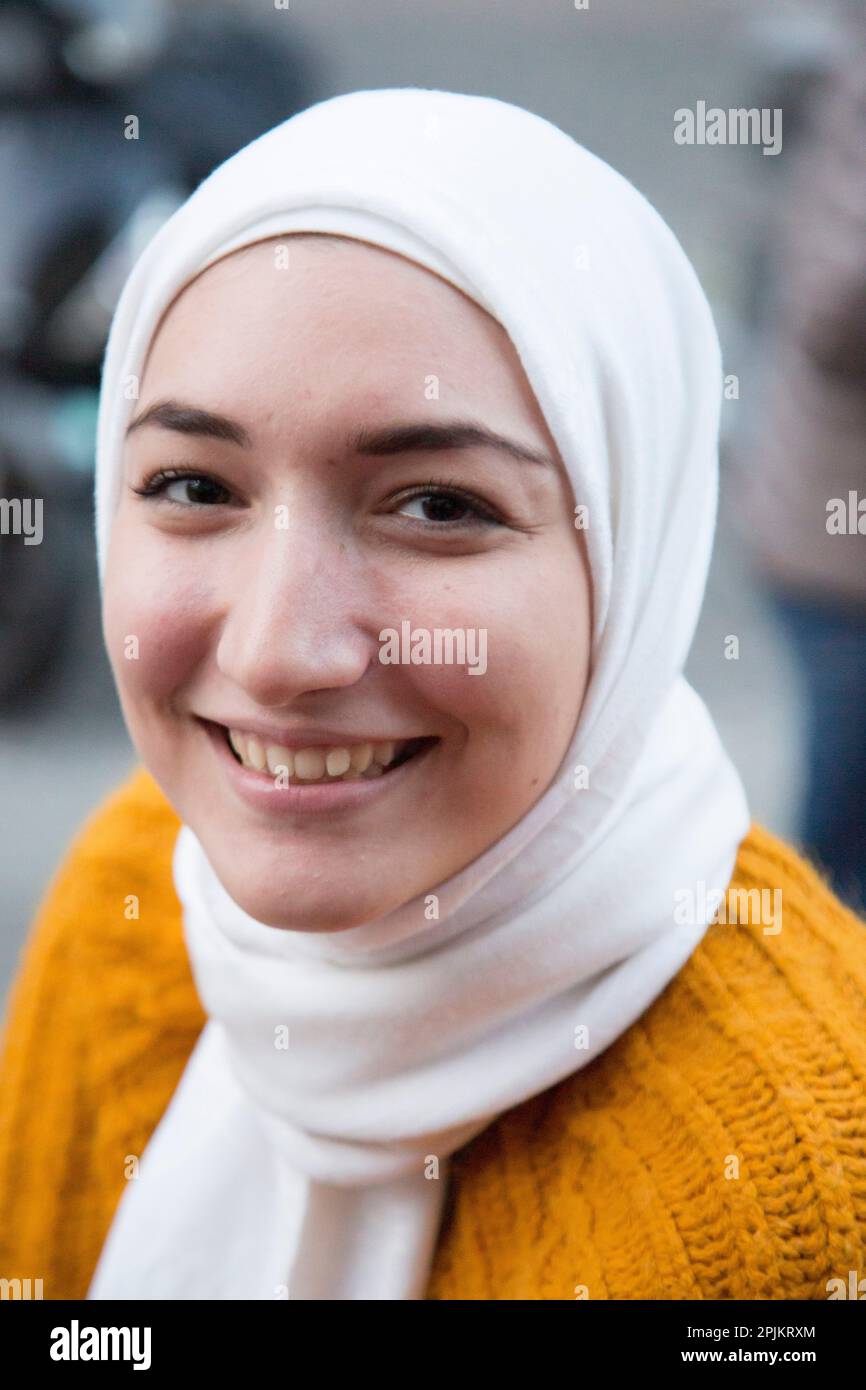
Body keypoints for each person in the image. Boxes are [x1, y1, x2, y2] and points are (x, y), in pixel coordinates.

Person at [2, 87, 866, 1302]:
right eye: (194, 486)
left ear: (628, 560)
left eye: (439, 507)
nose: (276, 653)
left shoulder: (786, 1192)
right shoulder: (131, 895)